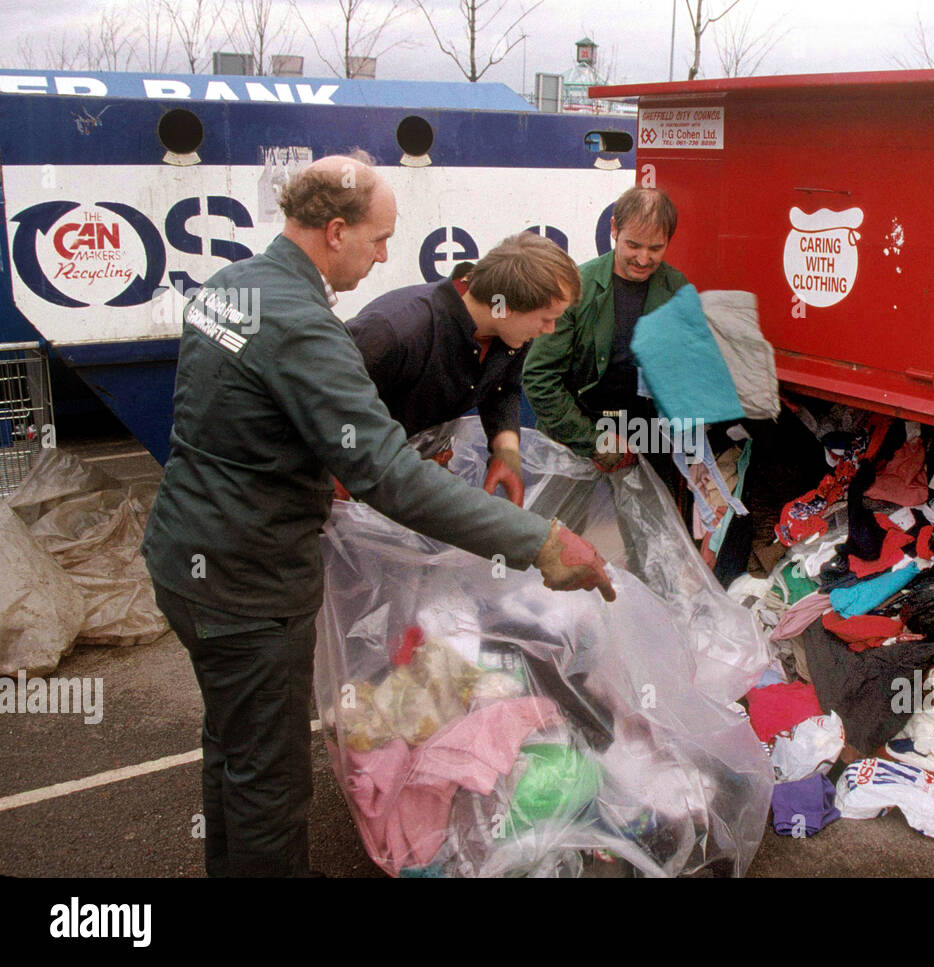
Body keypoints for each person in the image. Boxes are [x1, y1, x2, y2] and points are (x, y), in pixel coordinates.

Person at [141, 152, 614, 878]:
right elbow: (389, 475)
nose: (387, 255)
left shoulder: (232, 286)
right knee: (271, 782)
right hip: (249, 580)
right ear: (335, 231)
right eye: (379, 239)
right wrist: (541, 540)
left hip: (188, 551)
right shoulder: (309, 326)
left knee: (234, 748)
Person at [346, 232, 580, 506]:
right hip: (351, 477)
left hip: (412, 475)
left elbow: (502, 387)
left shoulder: (509, 334)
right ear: (507, 307)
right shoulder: (397, 330)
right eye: (545, 319)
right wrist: (341, 473)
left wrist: (506, 452)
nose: (550, 330)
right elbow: (326, 403)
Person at [522, 187, 689, 475]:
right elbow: (539, 377)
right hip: (574, 441)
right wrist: (593, 440)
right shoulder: (575, 288)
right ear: (614, 229)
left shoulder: (677, 289)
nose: (643, 258)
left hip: (648, 441)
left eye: (655, 248)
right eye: (633, 245)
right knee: (564, 522)